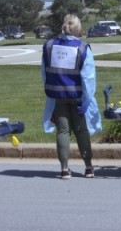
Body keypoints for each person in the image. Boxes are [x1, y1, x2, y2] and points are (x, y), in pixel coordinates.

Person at [41, 14, 101, 178]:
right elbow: (88, 78)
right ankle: (88, 167)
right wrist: (88, 100)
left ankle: (64, 169)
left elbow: (44, 74)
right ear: (77, 29)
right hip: (77, 96)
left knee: (62, 131)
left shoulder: (48, 46)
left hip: (58, 96)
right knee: (81, 130)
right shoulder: (82, 48)